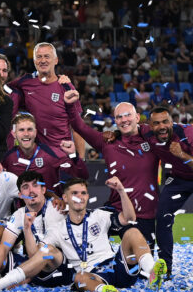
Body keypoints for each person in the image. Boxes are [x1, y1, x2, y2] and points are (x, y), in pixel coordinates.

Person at [38, 177, 166, 292]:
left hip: (117, 266)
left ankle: (151, 271)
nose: (79, 197)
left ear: (88, 196)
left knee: (132, 232)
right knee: (79, 278)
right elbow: (41, 250)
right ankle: (105, 291)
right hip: (93, 275)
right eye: (74, 193)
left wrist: (121, 191)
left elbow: (129, 218)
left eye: (83, 193)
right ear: (65, 198)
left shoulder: (99, 215)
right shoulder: (57, 229)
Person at [143, 106, 193, 282]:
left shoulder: (189, 132)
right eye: (156, 123)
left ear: (172, 122)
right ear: (150, 126)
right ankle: (165, 268)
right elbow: (130, 129)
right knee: (162, 216)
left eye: (165, 121)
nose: (161, 126)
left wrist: (182, 154)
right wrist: (114, 134)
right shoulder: (146, 134)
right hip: (180, 178)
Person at [67, 99, 160, 250]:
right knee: (83, 230)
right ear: (115, 120)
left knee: (140, 268)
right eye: (119, 117)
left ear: (137, 118)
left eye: (127, 115)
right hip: (116, 211)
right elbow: (79, 126)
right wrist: (70, 104)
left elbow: (169, 129)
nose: (124, 120)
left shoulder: (152, 140)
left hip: (144, 215)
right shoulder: (107, 142)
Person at [9, 42, 84, 155]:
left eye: (47, 56)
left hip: (62, 155)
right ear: (34, 61)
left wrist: (81, 160)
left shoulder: (66, 86)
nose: (43, 60)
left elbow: (78, 127)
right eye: (39, 57)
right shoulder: (26, 81)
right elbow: (3, 90)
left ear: (56, 60)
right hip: (35, 156)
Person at [0, 112, 87, 193]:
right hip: (22, 208)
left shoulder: (51, 154)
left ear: (35, 132)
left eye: (30, 129)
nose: (26, 134)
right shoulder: (9, 158)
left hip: (52, 206)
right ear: (14, 134)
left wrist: (73, 155)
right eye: (21, 130)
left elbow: (83, 176)